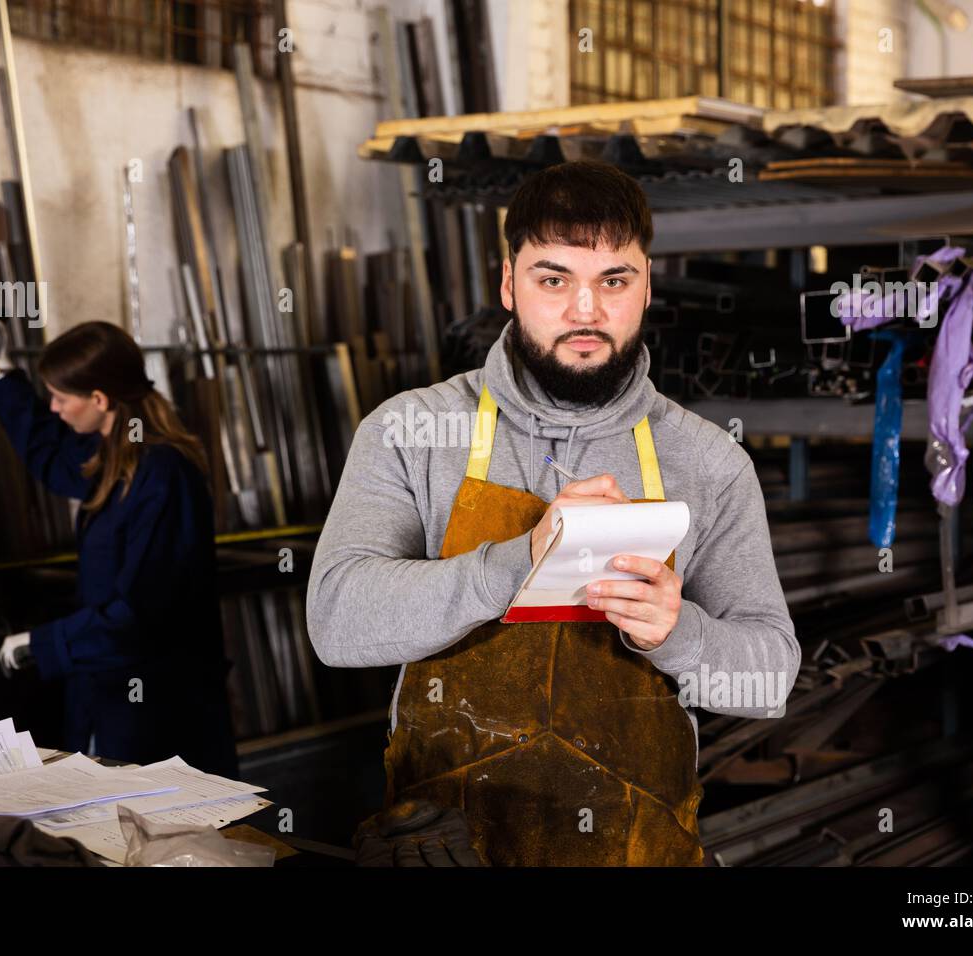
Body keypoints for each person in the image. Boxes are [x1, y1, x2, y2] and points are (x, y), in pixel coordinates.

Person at [307, 160, 799, 866]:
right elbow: (336, 623)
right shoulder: (410, 431)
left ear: (647, 287)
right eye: (553, 278)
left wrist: (679, 633)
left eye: (614, 280)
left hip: (637, 853)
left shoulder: (710, 463)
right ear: (508, 283)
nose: (586, 310)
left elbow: (770, 679)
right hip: (447, 850)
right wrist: (513, 564)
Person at [0, 321, 238, 778]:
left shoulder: (163, 475)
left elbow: (139, 613)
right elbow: (52, 454)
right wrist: (1, 377)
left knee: (164, 832)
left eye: (61, 398)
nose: (55, 409)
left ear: (99, 400)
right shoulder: (114, 456)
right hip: (109, 693)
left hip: (156, 705)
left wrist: (42, 642)